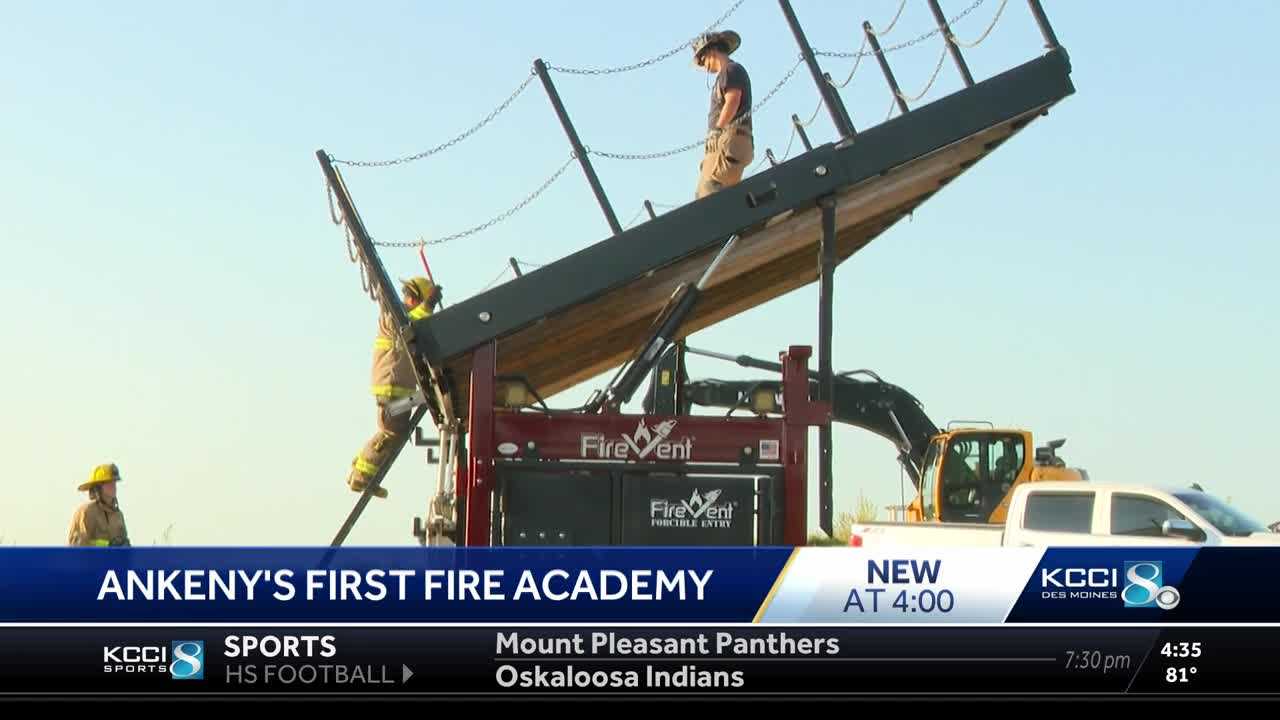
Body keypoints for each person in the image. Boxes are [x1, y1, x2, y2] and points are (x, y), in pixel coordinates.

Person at [347, 277, 442, 498]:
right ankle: (361, 476)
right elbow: (409, 328)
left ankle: (361, 470)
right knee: (390, 432)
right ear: (416, 298)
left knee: (396, 427)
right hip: (391, 388)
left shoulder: (399, 314)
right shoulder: (394, 315)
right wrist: (428, 306)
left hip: (396, 388)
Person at [693, 30, 754, 199]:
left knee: (708, 194)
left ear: (711, 51)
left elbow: (733, 100)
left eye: (703, 60)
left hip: (729, 141)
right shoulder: (727, 73)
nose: (704, 66)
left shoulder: (730, 70)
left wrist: (717, 129)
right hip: (726, 142)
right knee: (710, 194)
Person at [68, 463, 130, 547]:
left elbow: (124, 542)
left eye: (114, 482)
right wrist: (107, 544)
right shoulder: (87, 512)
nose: (114, 486)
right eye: (109, 483)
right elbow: (79, 544)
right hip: (90, 559)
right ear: (98, 488)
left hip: (113, 560)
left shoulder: (118, 515)